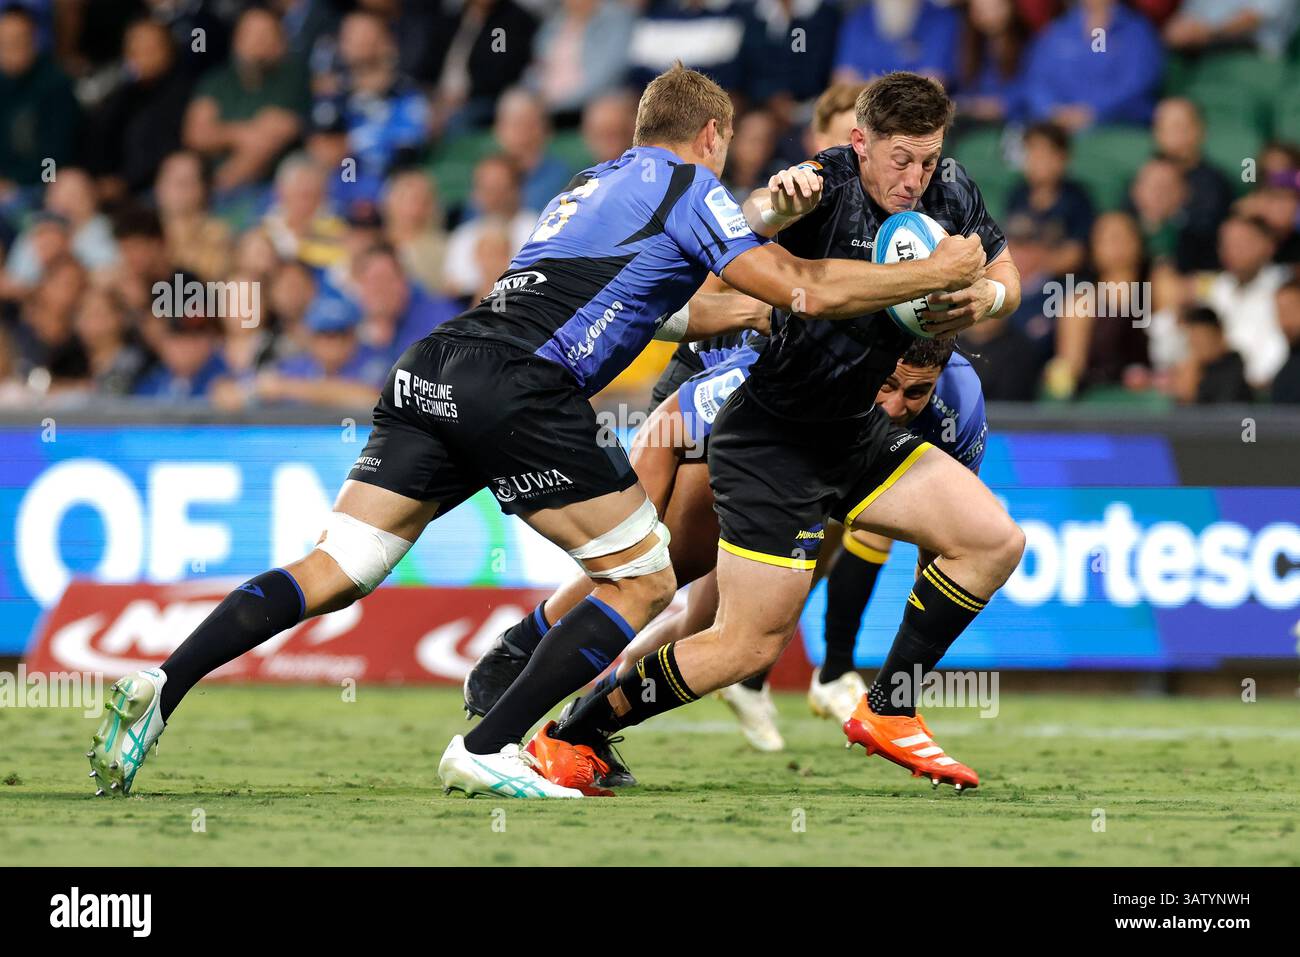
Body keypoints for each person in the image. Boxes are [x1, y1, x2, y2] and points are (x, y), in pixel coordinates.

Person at [86, 64, 987, 800]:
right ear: (711, 137)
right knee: (642, 577)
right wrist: (931, 273)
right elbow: (804, 288)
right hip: (522, 387)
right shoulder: (689, 184)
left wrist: (745, 307)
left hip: (438, 359)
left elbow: (670, 308)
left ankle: (163, 684)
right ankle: (489, 741)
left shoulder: (590, 185)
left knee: (337, 568)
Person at [528, 72, 1021, 796]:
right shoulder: (821, 183)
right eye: (900, 159)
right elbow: (750, 217)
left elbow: (1005, 269)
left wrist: (989, 293)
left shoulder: (949, 187)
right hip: (773, 441)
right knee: (744, 644)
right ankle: (577, 731)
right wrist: (767, 207)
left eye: (927, 158)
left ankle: (890, 703)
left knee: (994, 540)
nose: (915, 179)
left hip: (858, 431)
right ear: (860, 142)